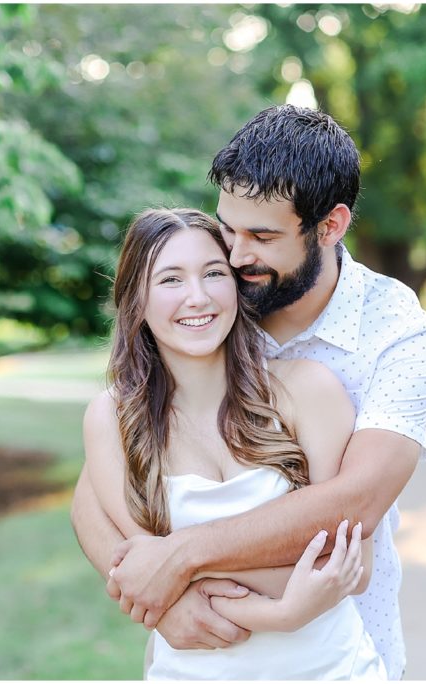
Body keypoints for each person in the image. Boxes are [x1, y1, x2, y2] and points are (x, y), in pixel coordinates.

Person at [71, 105, 426, 680]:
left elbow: (354, 509)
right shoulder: (220, 298)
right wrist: (160, 600)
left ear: (330, 226)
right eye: (228, 229)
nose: (235, 255)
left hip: (341, 645)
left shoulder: (400, 338)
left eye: (263, 236)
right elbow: (94, 492)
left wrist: (179, 560)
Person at [84, 206, 387, 679]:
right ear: (136, 299)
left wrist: (184, 570)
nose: (198, 297)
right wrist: (282, 610)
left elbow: (355, 565)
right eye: (171, 280)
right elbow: (146, 574)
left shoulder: (307, 390)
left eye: (213, 273)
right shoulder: (113, 418)